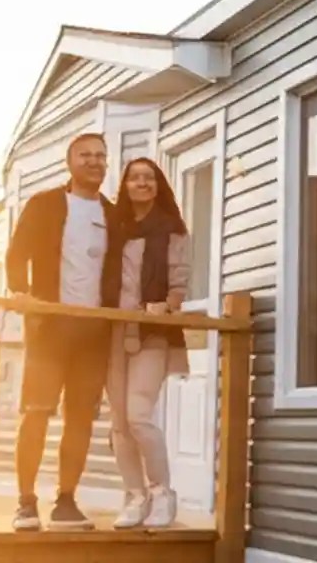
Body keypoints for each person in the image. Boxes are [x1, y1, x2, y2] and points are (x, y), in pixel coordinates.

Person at [4, 132, 122, 532]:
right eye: (85, 155)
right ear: (69, 163)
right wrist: (21, 291)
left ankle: (66, 500)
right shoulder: (44, 205)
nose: (94, 162)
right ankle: (25, 502)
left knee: (80, 419)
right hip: (49, 328)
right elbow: (17, 254)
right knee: (36, 412)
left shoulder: (113, 213)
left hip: (94, 332)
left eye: (100, 156)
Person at [107, 157, 192, 529]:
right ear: (124, 186)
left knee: (138, 415)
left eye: (149, 178)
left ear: (158, 185)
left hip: (152, 330)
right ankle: (134, 495)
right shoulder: (115, 228)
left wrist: (167, 306)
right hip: (111, 329)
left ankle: (161, 493)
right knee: (119, 423)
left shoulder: (171, 227)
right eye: (134, 178)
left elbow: (180, 280)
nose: (142, 183)